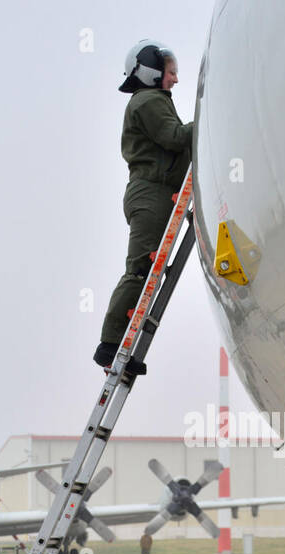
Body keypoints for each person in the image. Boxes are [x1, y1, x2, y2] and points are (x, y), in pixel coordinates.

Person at [93, 40, 194, 377]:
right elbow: (176, 138)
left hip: (154, 193)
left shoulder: (151, 100)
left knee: (145, 271)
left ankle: (120, 346)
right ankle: (110, 346)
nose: (176, 80)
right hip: (151, 194)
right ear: (151, 72)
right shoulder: (149, 100)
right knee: (141, 270)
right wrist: (209, 120)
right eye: (171, 72)